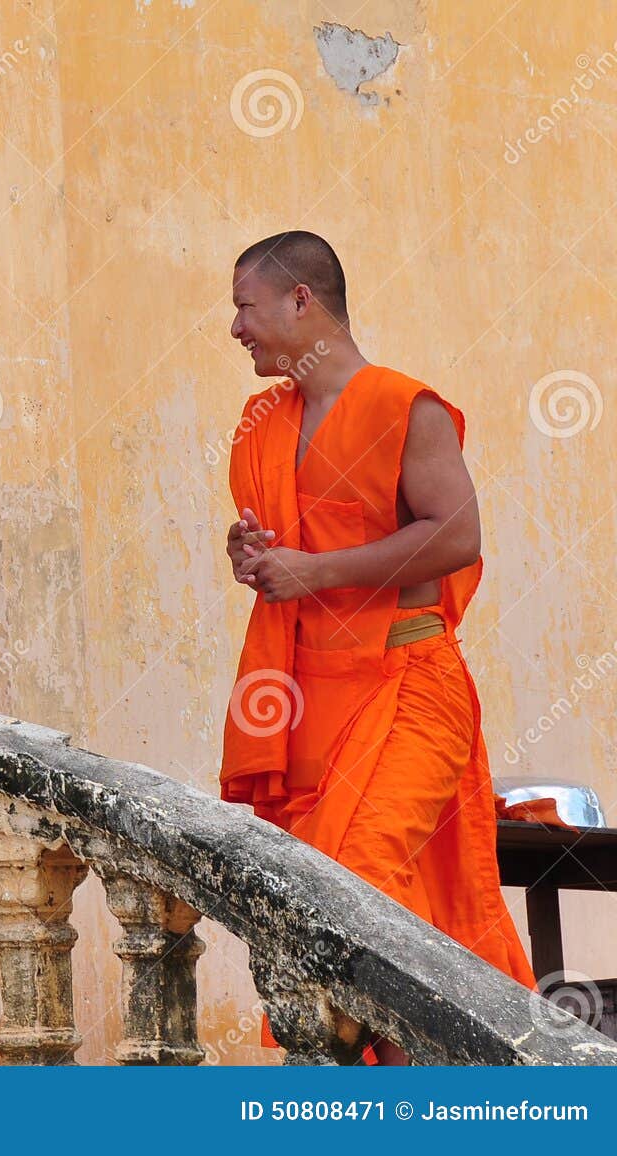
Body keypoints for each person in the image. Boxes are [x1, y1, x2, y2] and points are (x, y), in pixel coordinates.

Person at [219, 231, 533, 1065]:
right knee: (391, 914)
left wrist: (313, 569)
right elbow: (298, 544)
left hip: (407, 684)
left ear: (301, 301)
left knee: (346, 893)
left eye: (246, 307)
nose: (236, 327)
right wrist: (256, 554)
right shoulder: (265, 422)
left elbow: (457, 534)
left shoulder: (401, 404)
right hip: (314, 703)